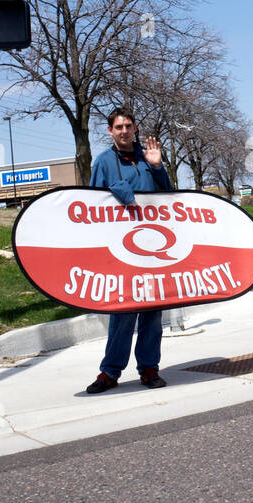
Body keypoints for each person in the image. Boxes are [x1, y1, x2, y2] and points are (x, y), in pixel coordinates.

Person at [85, 107, 174, 394]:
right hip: (120, 250)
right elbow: (93, 206)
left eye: (128, 126)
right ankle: (110, 372)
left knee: (152, 312)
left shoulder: (148, 158)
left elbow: (168, 195)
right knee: (122, 313)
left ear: (135, 128)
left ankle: (149, 368)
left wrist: (158, 166)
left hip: (153, 246)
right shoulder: (102, 162)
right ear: (110, 131)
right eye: (119, 127)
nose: (124, 131)